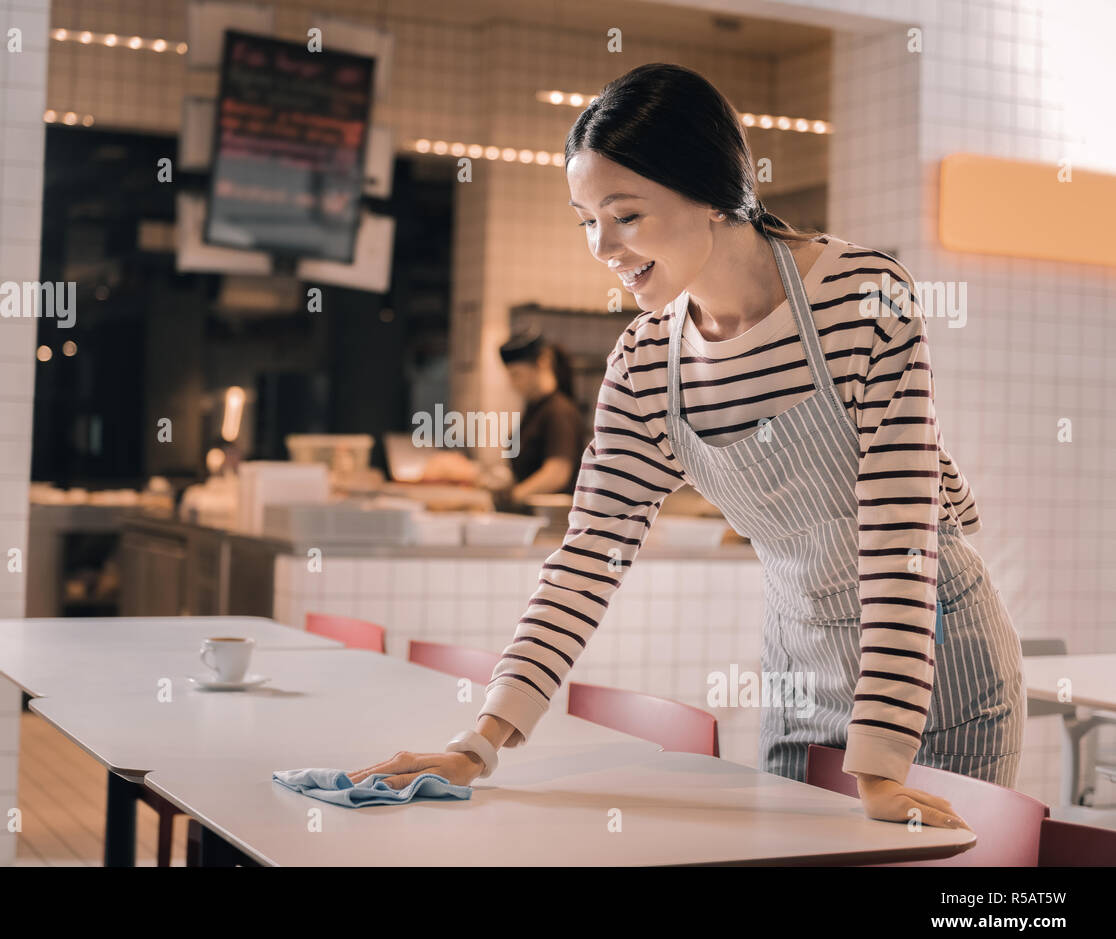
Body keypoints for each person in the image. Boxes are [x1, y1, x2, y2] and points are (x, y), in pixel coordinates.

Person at [350, 63, 1024, 830]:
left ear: (712, 194)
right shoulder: (644, 363)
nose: (601, 245)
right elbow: (586, 557)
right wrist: (478, 745)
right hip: (800, 667)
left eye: (625, 215)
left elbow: (901, 534)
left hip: (937, 664)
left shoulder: (867, 299)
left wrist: (879, 765)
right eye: (585, 220)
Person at [492, 328, 588, 507]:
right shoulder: (534, 408)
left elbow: (557, 473)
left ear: (542, 362)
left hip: (553, 518)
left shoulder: (559, 411)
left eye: (516, 375)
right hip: (533, 515)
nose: (512, 383)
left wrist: (511, 497)